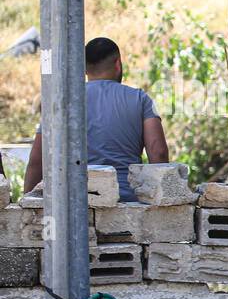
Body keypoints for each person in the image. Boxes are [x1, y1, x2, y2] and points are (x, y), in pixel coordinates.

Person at [24, 37, 169, 202]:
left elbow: (37, 161)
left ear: (84, 69)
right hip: (127, 202)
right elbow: (158, 152)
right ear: (118, 64)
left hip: (75, 202)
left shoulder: (61, 102)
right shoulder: (140, 99)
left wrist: (27, 201)